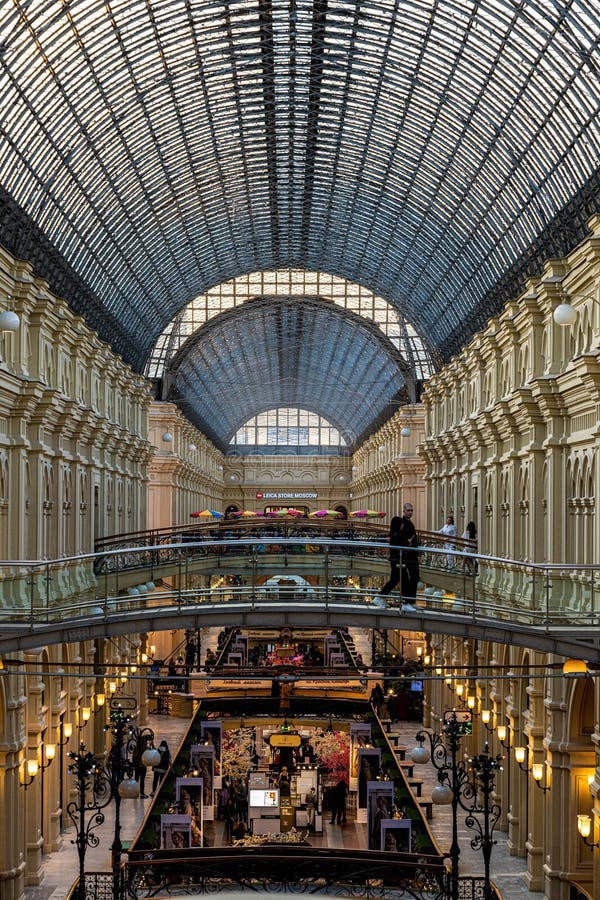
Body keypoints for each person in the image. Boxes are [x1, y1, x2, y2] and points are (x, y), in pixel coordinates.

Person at [377, 503, 419, 612]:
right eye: (408, 510)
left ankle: (381, 597)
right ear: (404, 510)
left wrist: (411, 545)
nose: (410, 512)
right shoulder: (398, 521)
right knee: (403, 579)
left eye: (411, 510)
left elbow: (411, 539)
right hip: (399, 557)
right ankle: (405, 602)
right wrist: (406, 542)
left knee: (398, 579)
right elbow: (396, 537)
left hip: (406, 557)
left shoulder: (409, 524)